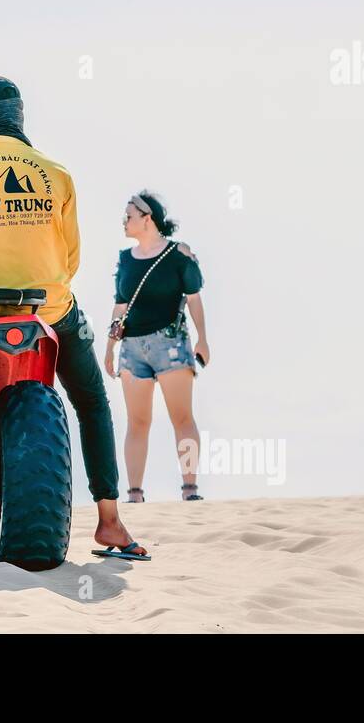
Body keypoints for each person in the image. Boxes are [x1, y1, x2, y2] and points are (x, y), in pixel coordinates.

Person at [0, 75, 151, 560]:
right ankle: (109, 520)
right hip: (50, 309)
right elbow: (71, 256)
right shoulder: (56, 172)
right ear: (19, 118)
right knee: (91, 402)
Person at [104, 192, 210, 502]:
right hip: (132, 347)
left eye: (129, 215)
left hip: (170, 343)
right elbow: (119, 306)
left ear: (147, 217)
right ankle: (135, 494)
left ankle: (190, 489)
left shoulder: (179, 255)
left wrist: (203, 338)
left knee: (182, 417)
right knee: (137, 422)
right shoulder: (125, 259)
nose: (124, 221)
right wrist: (110, 347)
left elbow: (194, 299)